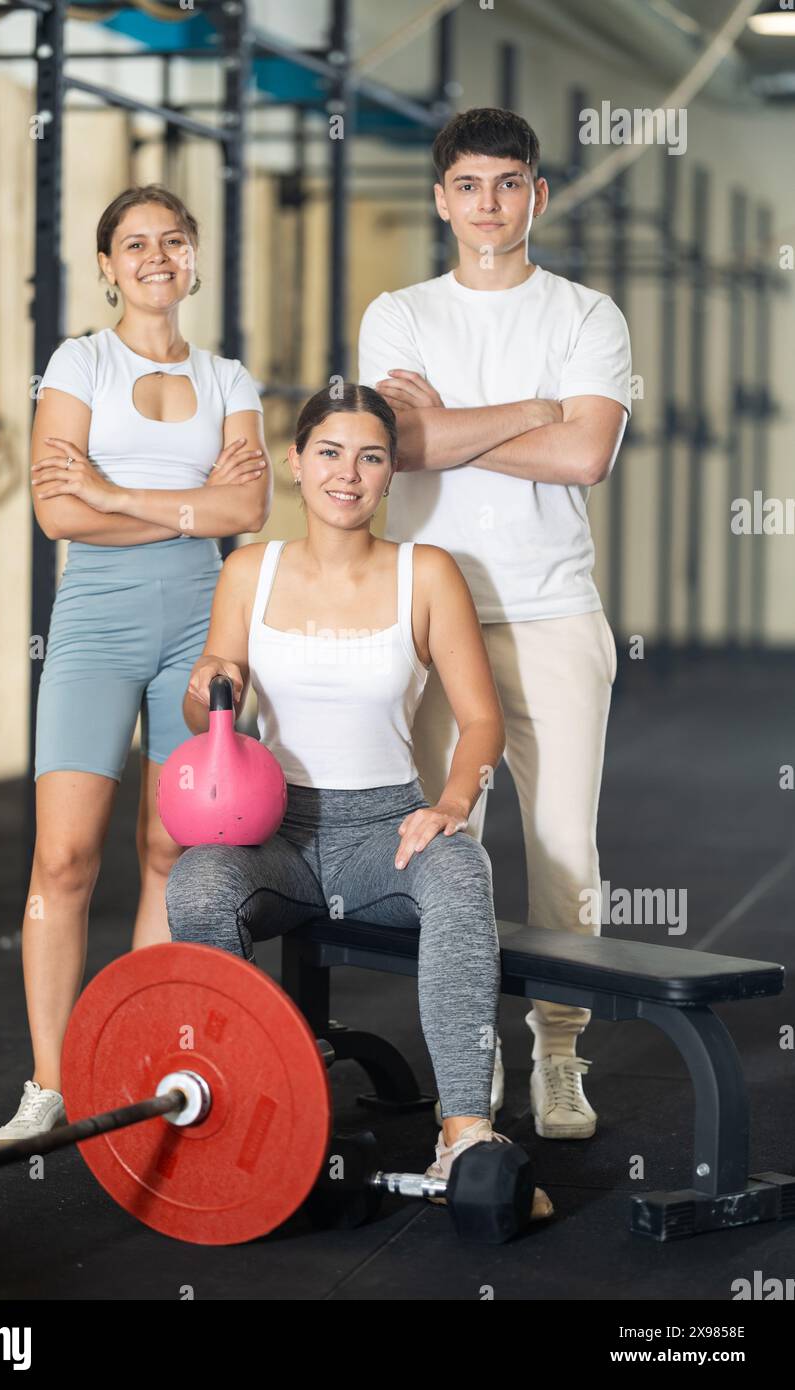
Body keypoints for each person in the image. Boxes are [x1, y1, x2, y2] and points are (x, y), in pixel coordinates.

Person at [164, 383, 552, 1217]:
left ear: (388, 474)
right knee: (196, 885)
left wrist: (450, 802)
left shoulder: (428, 573)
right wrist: (208, 689)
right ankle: (241, 1115)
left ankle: (462, 1131)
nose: (349, 473)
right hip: (278, 832)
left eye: (370, 457)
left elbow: (481, 720)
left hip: (385, 831)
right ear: (296, 464)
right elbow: (209, 709)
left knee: (459, 872)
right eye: (330, 453)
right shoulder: (248, 568)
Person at [358, 108, 631, 1140]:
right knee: (447, 853)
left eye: (508, 184)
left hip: (554, 611)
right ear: (441, 198)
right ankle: (470, 1066)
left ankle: (559, 1055)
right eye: (468, 184)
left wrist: (454, 425)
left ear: (537, 196)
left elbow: (586, 456)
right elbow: (398, 446)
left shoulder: (587, 314)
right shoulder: (399, 312)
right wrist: (533, 410)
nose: (488, 203)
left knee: (565, 849)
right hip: (431, 617)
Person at [0, 185, 272, 1142]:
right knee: (63, 855)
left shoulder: (233, 379)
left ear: (193, 257)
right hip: (95, 621)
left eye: (173, 240)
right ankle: (47, 1083)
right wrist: (183, 498)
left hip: (204, 618)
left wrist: (115, 487)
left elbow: (249, 517)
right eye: (135, 243)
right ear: (108, 265)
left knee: (169, 850)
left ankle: (142, 1060)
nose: (156, 256)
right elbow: (55, 514)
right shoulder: (79, 362)